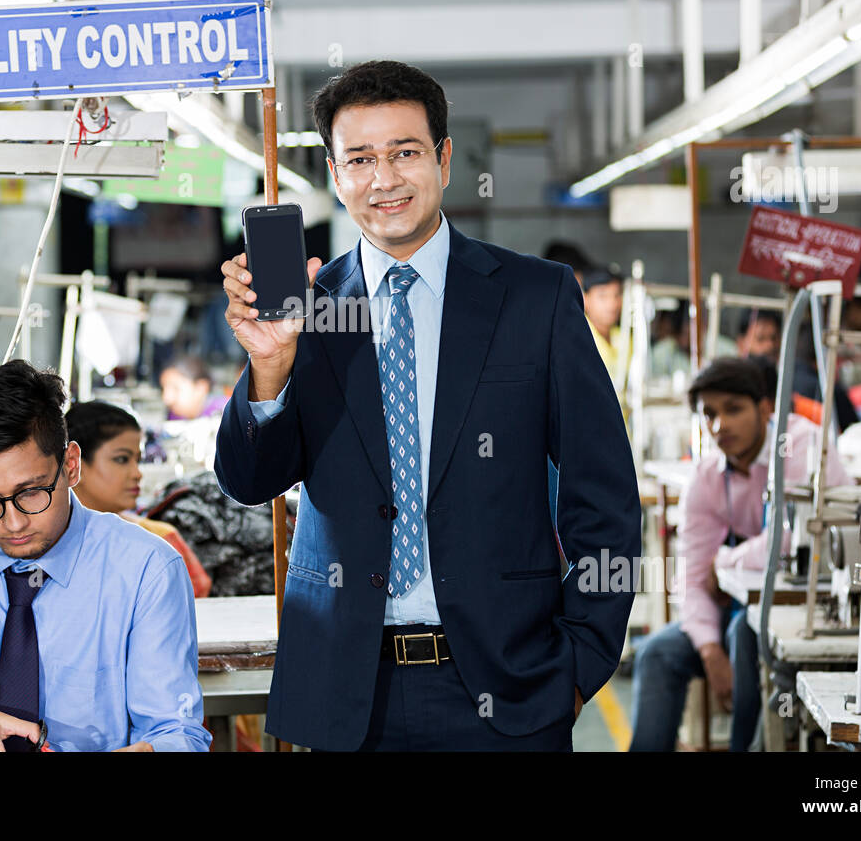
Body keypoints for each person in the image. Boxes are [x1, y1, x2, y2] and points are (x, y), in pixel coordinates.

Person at [215, 59, 640, 751]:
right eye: (359, 158)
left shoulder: (535, 298)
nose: (383, 179)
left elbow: (605, 494)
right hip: (348, 696)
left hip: (510, 689)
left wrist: (581, 660)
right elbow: (248, 481)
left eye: (404, 152)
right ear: (333, 173)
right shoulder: (307, 313)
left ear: (443, 159)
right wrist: (269, 368)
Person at [0, 360, 210, 752]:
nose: (14, 523)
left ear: (70, 466)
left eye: (31, 492)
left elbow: (176, 733)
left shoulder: (146, 570)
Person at [629, 356, 851, 751]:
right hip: (746, 610)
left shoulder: (803, 447)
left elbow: (790, 540)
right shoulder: (707, 477)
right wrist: (710, 652)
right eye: (709, 414)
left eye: (733, 409)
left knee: (743, 635)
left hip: (812, 612)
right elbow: (692, 577)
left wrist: (725, 560)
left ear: (765, 408)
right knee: (656, 655)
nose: (720, 426)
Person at [65, 400, 211, 597]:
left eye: (138, 460)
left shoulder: (160, 540)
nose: (137, 474)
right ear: (74, 464)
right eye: (122, 459)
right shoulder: (39, 543)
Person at [159, 355, 227, 421]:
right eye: (163, 389)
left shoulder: (226, 413)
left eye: (175, 389)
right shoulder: (174, 415)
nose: (166, 398)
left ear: (201, 388)